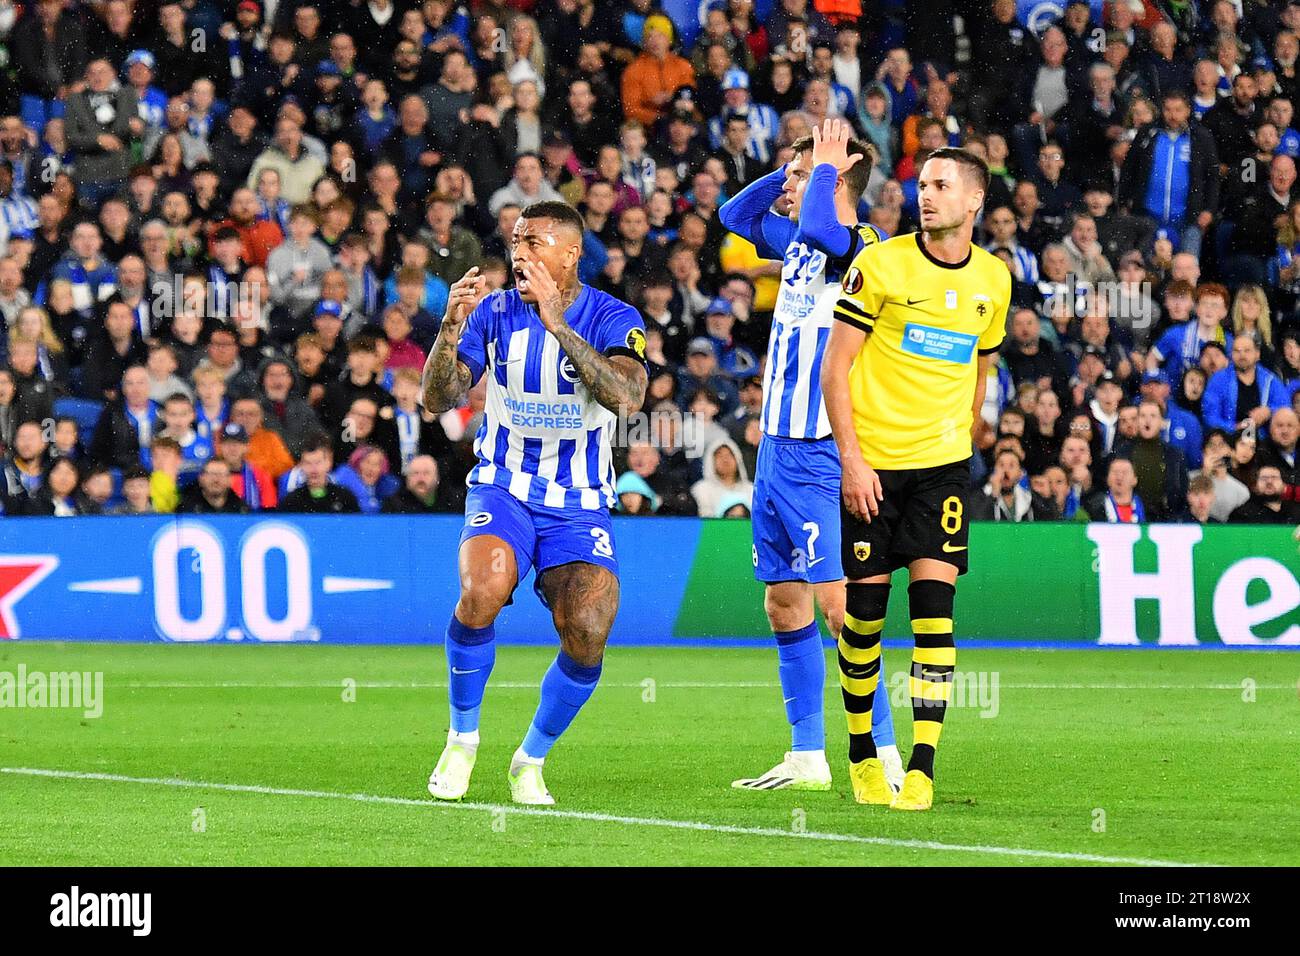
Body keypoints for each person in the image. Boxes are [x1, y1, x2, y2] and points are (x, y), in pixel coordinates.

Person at [420, 201, 647, 807]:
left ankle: (530, 759)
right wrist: (449, 330)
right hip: (505, 487)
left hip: (580, 503)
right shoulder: (493, 313)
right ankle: (462, 740)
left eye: (536, 241)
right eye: (516, 240)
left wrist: (557, 324)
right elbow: (437, 400)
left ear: (571, 254)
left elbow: (627, 398)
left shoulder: (613, 316)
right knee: (482, 589)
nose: (520, 251)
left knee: (589, 630)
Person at [823, 146, 1009, 811]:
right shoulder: (879, 265)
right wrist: (851, 460)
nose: (924, 194)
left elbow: (980, 365)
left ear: (973, 200)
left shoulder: (994, 280)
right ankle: (860, 753)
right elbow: (834, 369)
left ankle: (923, 767)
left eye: (940, 185)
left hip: (941, 470)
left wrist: (966, 427)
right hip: (872, 469)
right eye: (921, 183)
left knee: (934, 617)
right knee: (865, 620)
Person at [717, 118, 901, 792]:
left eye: (798, 181)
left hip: (824, 452)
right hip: (775, 453)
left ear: (838, 182)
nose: (786, 192)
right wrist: (792, 168)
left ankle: (882, 751)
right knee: (784, 604)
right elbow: (732, 212)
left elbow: (829, 231)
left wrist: (819, 171)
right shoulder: (799, 241)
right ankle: (807, 756)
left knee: (838, 606)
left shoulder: (864, 248)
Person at [276, 433, 362, 513]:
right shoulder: (292, 501)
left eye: (318, 462)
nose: (313, 469)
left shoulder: (345, 498)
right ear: (301, 465)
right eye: (308, 463)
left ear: (329, 462)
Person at [1228, 464, 1300, 523]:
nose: (1269, 482)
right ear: (1255, 486)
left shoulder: (1296, 511)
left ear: (1283, 485)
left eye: (1274, 477)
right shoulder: (1241, 514)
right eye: (1263, 478)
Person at [179, 458, 250, 514]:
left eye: (221, 474)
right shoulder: (185, 509)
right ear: (201, 478)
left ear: (229, 480)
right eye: (211, 474)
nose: (216, 480)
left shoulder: (242, 510)